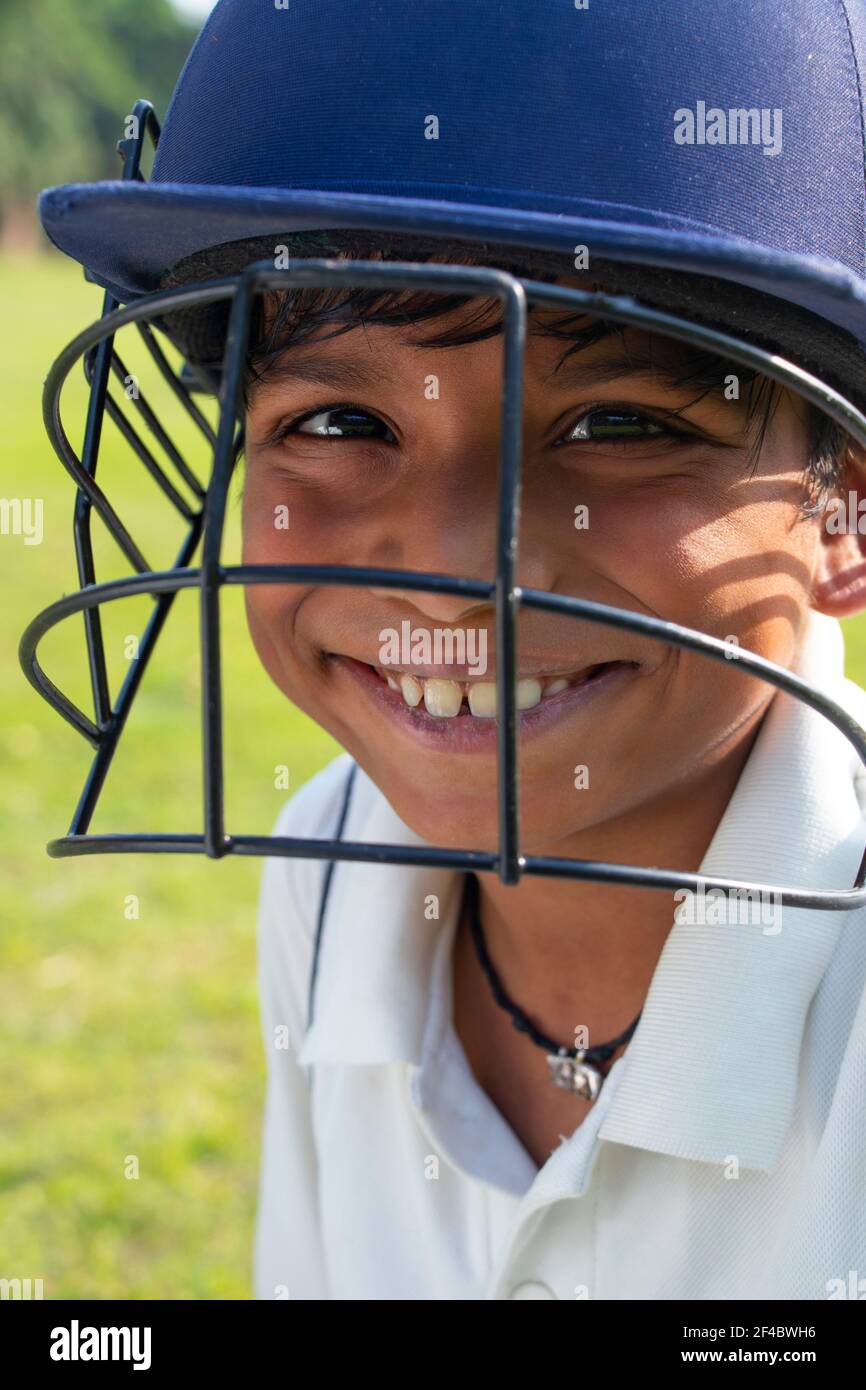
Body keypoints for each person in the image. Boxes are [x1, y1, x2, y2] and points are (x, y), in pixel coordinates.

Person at [36, 0, 866, 1299]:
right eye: (342, 416)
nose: (448, 565)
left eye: (612, 425)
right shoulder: (331, 869)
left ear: (844, 510)